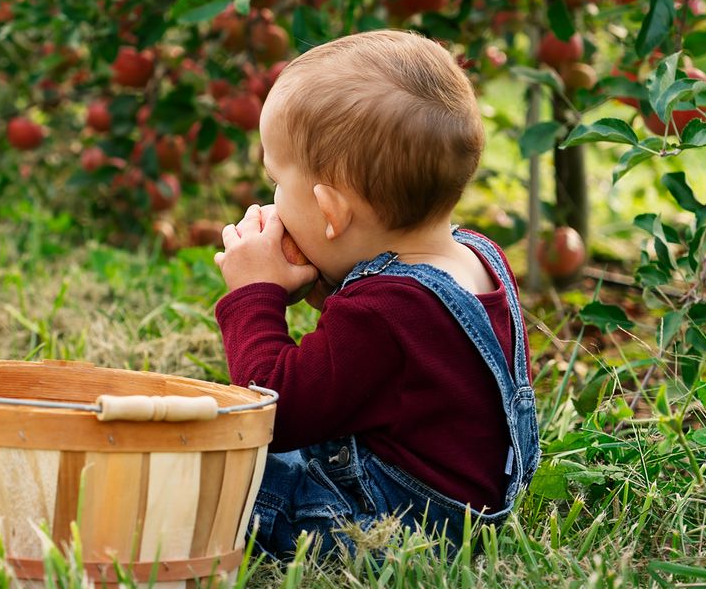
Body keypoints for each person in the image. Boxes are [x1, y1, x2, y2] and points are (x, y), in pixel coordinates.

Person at [212, 30, 539, 559]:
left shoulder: (384, 313)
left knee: (220, 475)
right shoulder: (476, 257)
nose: (272, 196)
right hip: (465, 514)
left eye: (277, 180)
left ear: (331, 212)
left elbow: (273, 410)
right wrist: (326, 288)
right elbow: (393, 374)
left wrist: (255, 296)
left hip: (393, 528)